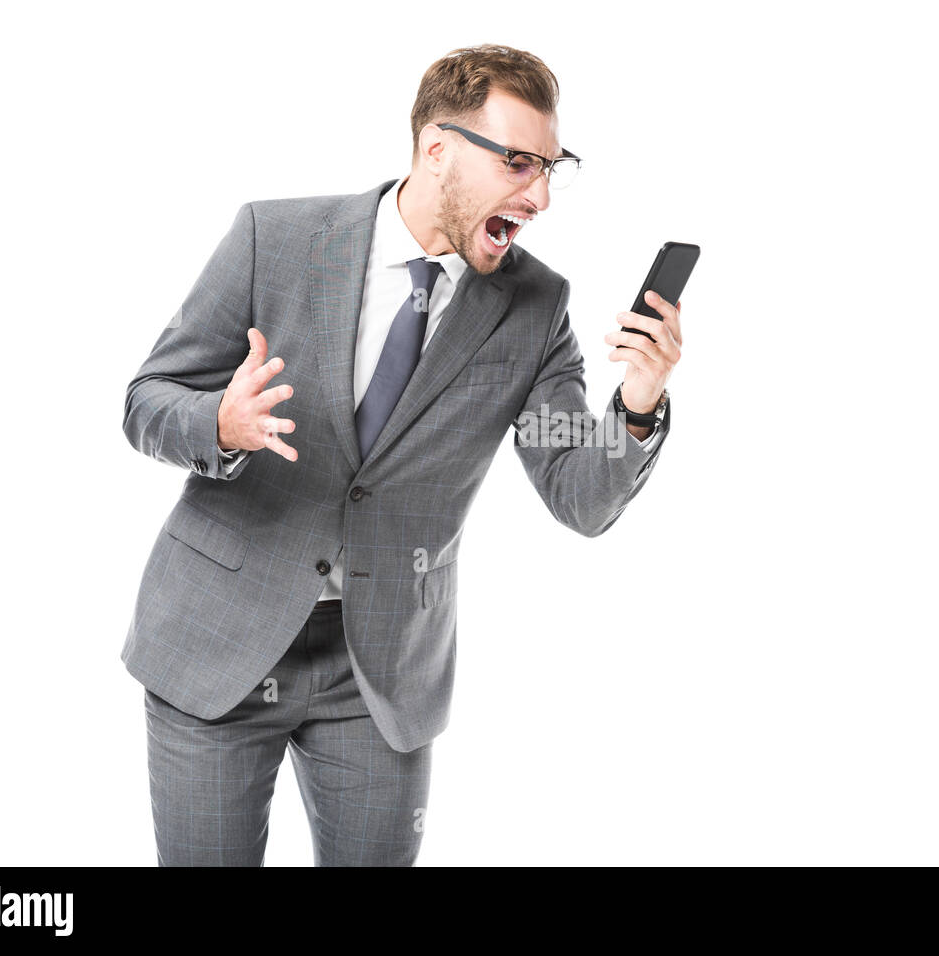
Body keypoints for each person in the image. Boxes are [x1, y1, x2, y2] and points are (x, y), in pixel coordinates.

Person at [121, 43, 682, 866]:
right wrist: (220, 423)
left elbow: (579, 491)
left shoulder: (534, 308)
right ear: (437, 149)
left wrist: (638, 402)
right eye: (521, 163)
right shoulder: (270, 237)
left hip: (379, 673)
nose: (542, 194)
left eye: (554, 166)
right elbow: (146, 401)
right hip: (217, 643)